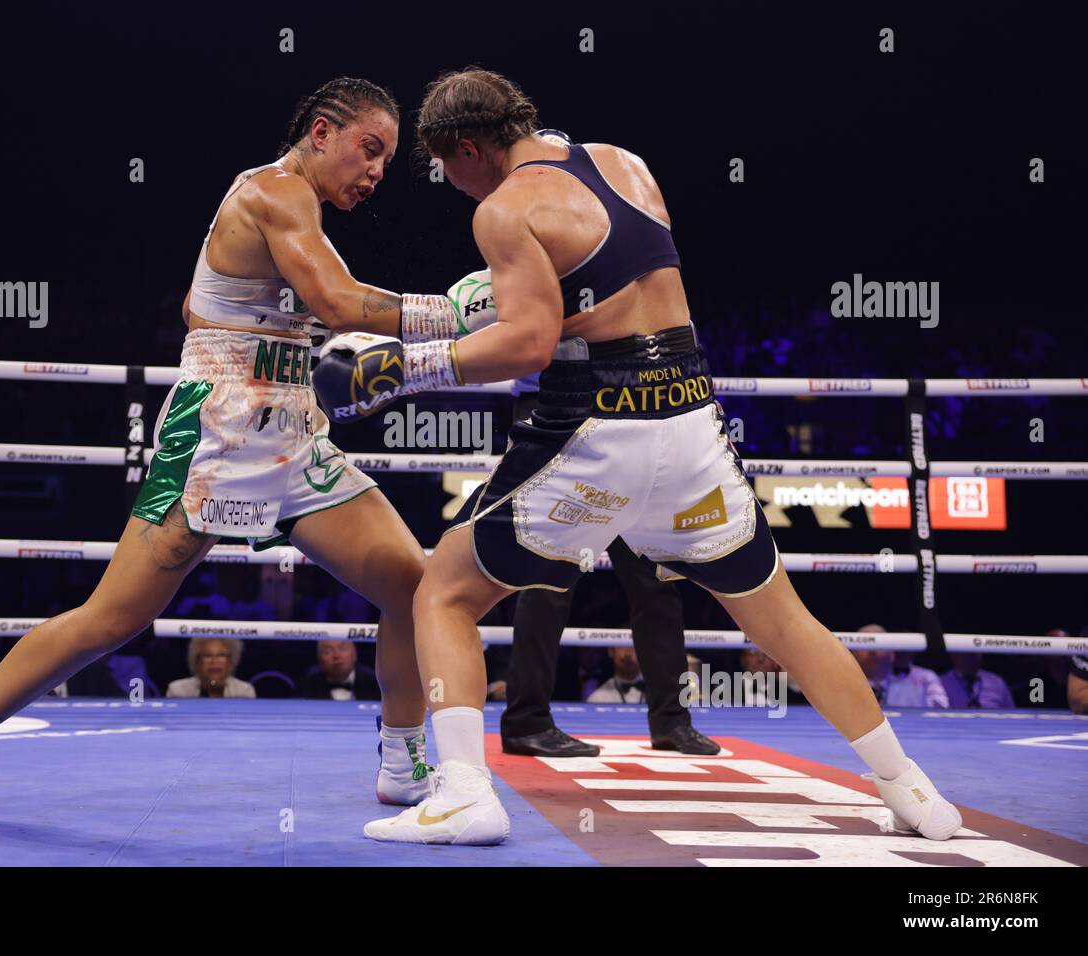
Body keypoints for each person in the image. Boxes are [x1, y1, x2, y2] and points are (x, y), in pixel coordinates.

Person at [327, 68, 961, 845]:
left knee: (444, 594)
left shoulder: (504, 211)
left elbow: (529, 344)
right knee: (785, 621)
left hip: (596, 428)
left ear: (466, 148)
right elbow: (609, 281)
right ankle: (911, 789)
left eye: (444, 168)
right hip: (691, 422)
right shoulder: (623, 163)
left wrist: (402, 368)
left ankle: (464, 796)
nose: (451, 187)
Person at [0, 77, 460, 821]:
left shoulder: (286, 206)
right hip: (215, 437)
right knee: (111, 619)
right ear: (322, 132)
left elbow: (200, 305)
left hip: (293, 436)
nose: (377, 171)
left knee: (413, 587)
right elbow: (339, 301)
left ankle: (403, 762)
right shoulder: (278, 191)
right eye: (369, 149)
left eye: (386, 158)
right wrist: (458, 314)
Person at [502, 366, 717, 756]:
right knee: (548, 578)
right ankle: (526, 721)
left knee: (655, 575)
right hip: (558, 409)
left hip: (631, 413)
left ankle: (672, 722)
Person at [166, 638, 256, 698]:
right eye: (207, 655)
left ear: (231, 661)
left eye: (221, 655)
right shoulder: (178, 690)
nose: (214, 661)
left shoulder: (244, 691)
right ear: (196, 661)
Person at [298, 639, 380, 701]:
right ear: (319, 658)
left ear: (355, 654)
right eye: (327, 651)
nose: (336, 656)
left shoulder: (375, 682)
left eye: (343, 649)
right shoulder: (308, 684)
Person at [940, 653, 1013, 709]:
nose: (970, 657)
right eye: (966, 653)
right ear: (953, 655)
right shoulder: (942, 684)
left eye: (974, 653)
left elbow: (1011, 715)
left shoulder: (997, 682)